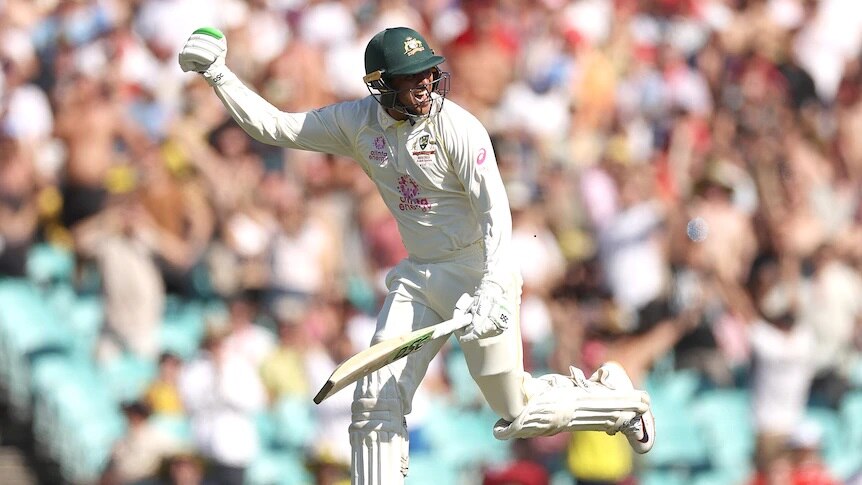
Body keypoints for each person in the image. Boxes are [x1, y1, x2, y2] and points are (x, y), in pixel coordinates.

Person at [178, 26, 655, 484]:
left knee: (518, 411)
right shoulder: (356, 123)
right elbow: (277, 127)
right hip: (421, 275)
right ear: (381, 86)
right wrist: (219, 74)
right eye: (412, 78)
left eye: (428, 72)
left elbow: (496, 211)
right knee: (374, 400)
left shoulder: (458, 128)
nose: (426, 83)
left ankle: (618, 402)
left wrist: (492, 286)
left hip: (479, 272)